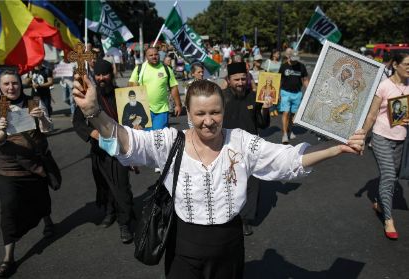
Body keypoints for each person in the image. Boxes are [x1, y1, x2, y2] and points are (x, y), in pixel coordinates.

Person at [72, 75, 365, 278]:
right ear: (188, 113)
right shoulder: (169, 141)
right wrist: (94, 112)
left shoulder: (240, 141)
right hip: (183, 244)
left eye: (215, 112)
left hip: (228, 244)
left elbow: (287, 160)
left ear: (223, 111)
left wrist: (335, 149)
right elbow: (127, 141)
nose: (208, 120)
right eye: (200, 114)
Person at [0, 69, 54, 277]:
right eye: (6, 84)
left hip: (34, 164)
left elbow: (48, 129)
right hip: (8, 168)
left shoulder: (34, 102)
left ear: (20, 83)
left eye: (14, 83)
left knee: (41, 200)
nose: (11, 88)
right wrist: (0, 132)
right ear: (0, 87)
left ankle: (47, 220)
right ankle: (9, 258)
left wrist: (42, 118)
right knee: (9, 210)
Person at [75, 59, 136, 243]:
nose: (101, 78)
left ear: (112, 74)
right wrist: (93, 133)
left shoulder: (122, 95)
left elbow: (135, 118)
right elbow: (77, 122)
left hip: (121, 149)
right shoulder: (89, 96)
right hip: (100, 149)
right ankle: (110, 212)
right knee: (105, 185)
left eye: (105, 74)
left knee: (121, 186)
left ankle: (124, 222)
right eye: (98, 74)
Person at [361, 52, 409, 240]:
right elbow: (372, 115)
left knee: (393, 175)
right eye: (406, 64)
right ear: (395, 65)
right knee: (389, 174)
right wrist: (361, 137)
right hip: (381, 136)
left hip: (401, 138)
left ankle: (380, 203)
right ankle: (388, 219)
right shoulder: (384, 86)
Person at [223, 62, 271, 236]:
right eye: (236, 79)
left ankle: (245, 220)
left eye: (244, 79)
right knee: (228, 183)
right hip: (226, 148)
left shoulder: (254, 97)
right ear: (228, 80)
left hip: (250, 148)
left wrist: (265, 110)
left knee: (252, 184)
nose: (241, 83)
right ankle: (228, 217)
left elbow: (262, 124)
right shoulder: (221, 97)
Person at [129, 47, 182, 130]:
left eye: (156, 54)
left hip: (161, 109)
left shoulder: (166, 69)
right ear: (146, 57)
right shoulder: (139, 69)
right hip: (143, 110)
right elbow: (130, 85)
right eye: (151, 55)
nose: (154, 56)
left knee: (159, 136)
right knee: (145, 137)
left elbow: (173, 87)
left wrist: (178, 105)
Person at [278, 48, 309, 144]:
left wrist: (309, 91)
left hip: (297, 94)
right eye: (293, 58)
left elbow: (305, 80)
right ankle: (284, 135)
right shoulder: (284, 66)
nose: (295, 60)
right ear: (289, 56)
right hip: (285, 92)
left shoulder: (301, 66)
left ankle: (290, 130)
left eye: (296, 58)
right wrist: (277, 93)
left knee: (292, 115)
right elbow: (279, 79)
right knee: (285, 113)